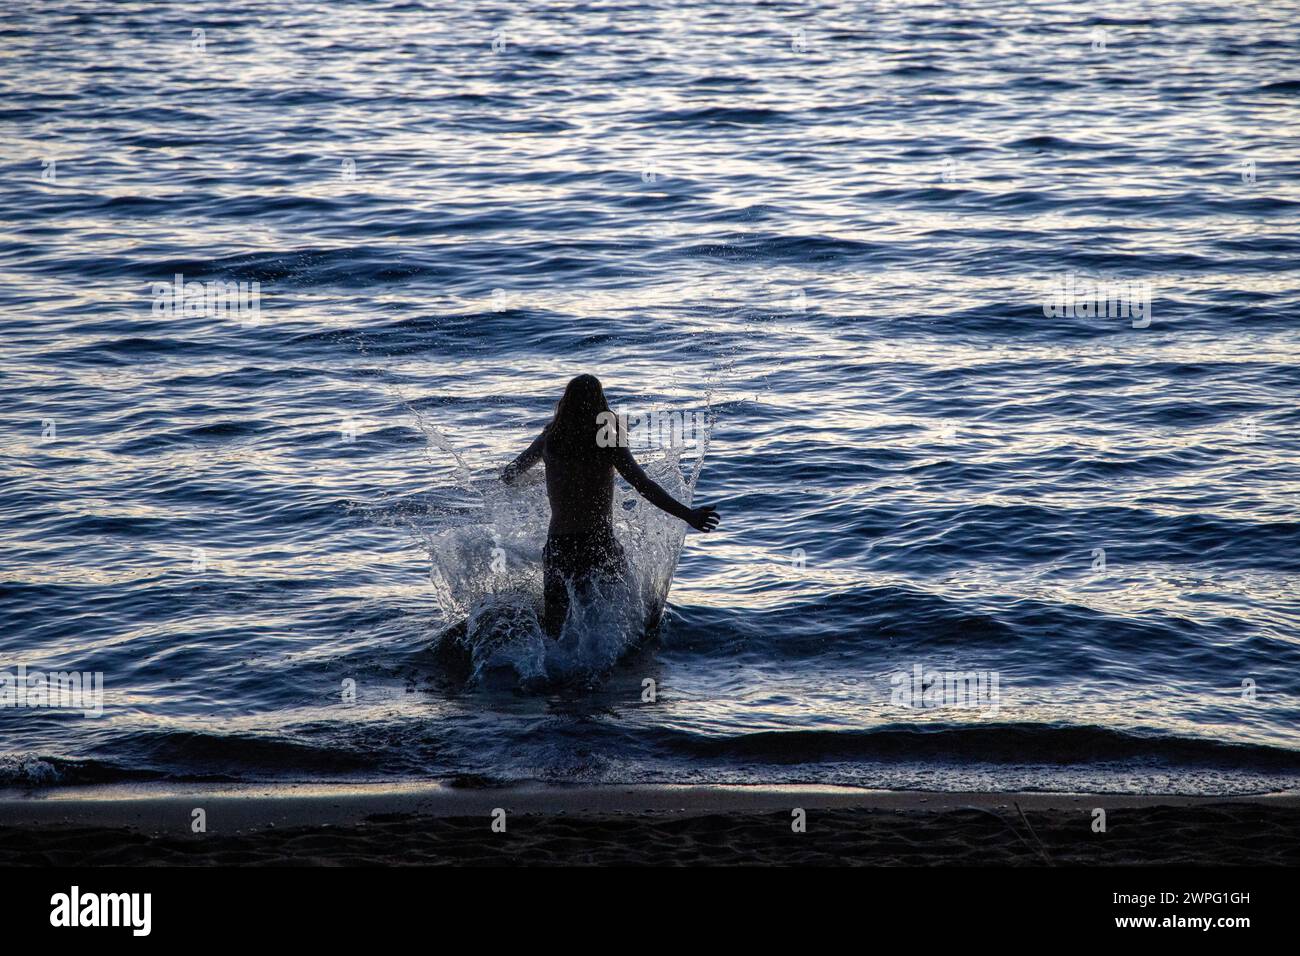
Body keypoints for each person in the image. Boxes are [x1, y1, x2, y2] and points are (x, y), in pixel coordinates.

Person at [501, 374, 719, 636]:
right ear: (600, 403)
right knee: (624, 622)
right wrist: (688, 515)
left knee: (555, 630)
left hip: (559, 545)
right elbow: (643, 485)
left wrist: (543, 476)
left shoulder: (549, 440)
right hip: (599, 543)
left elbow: (510, 474)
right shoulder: (608, 442)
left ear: (565, 402)